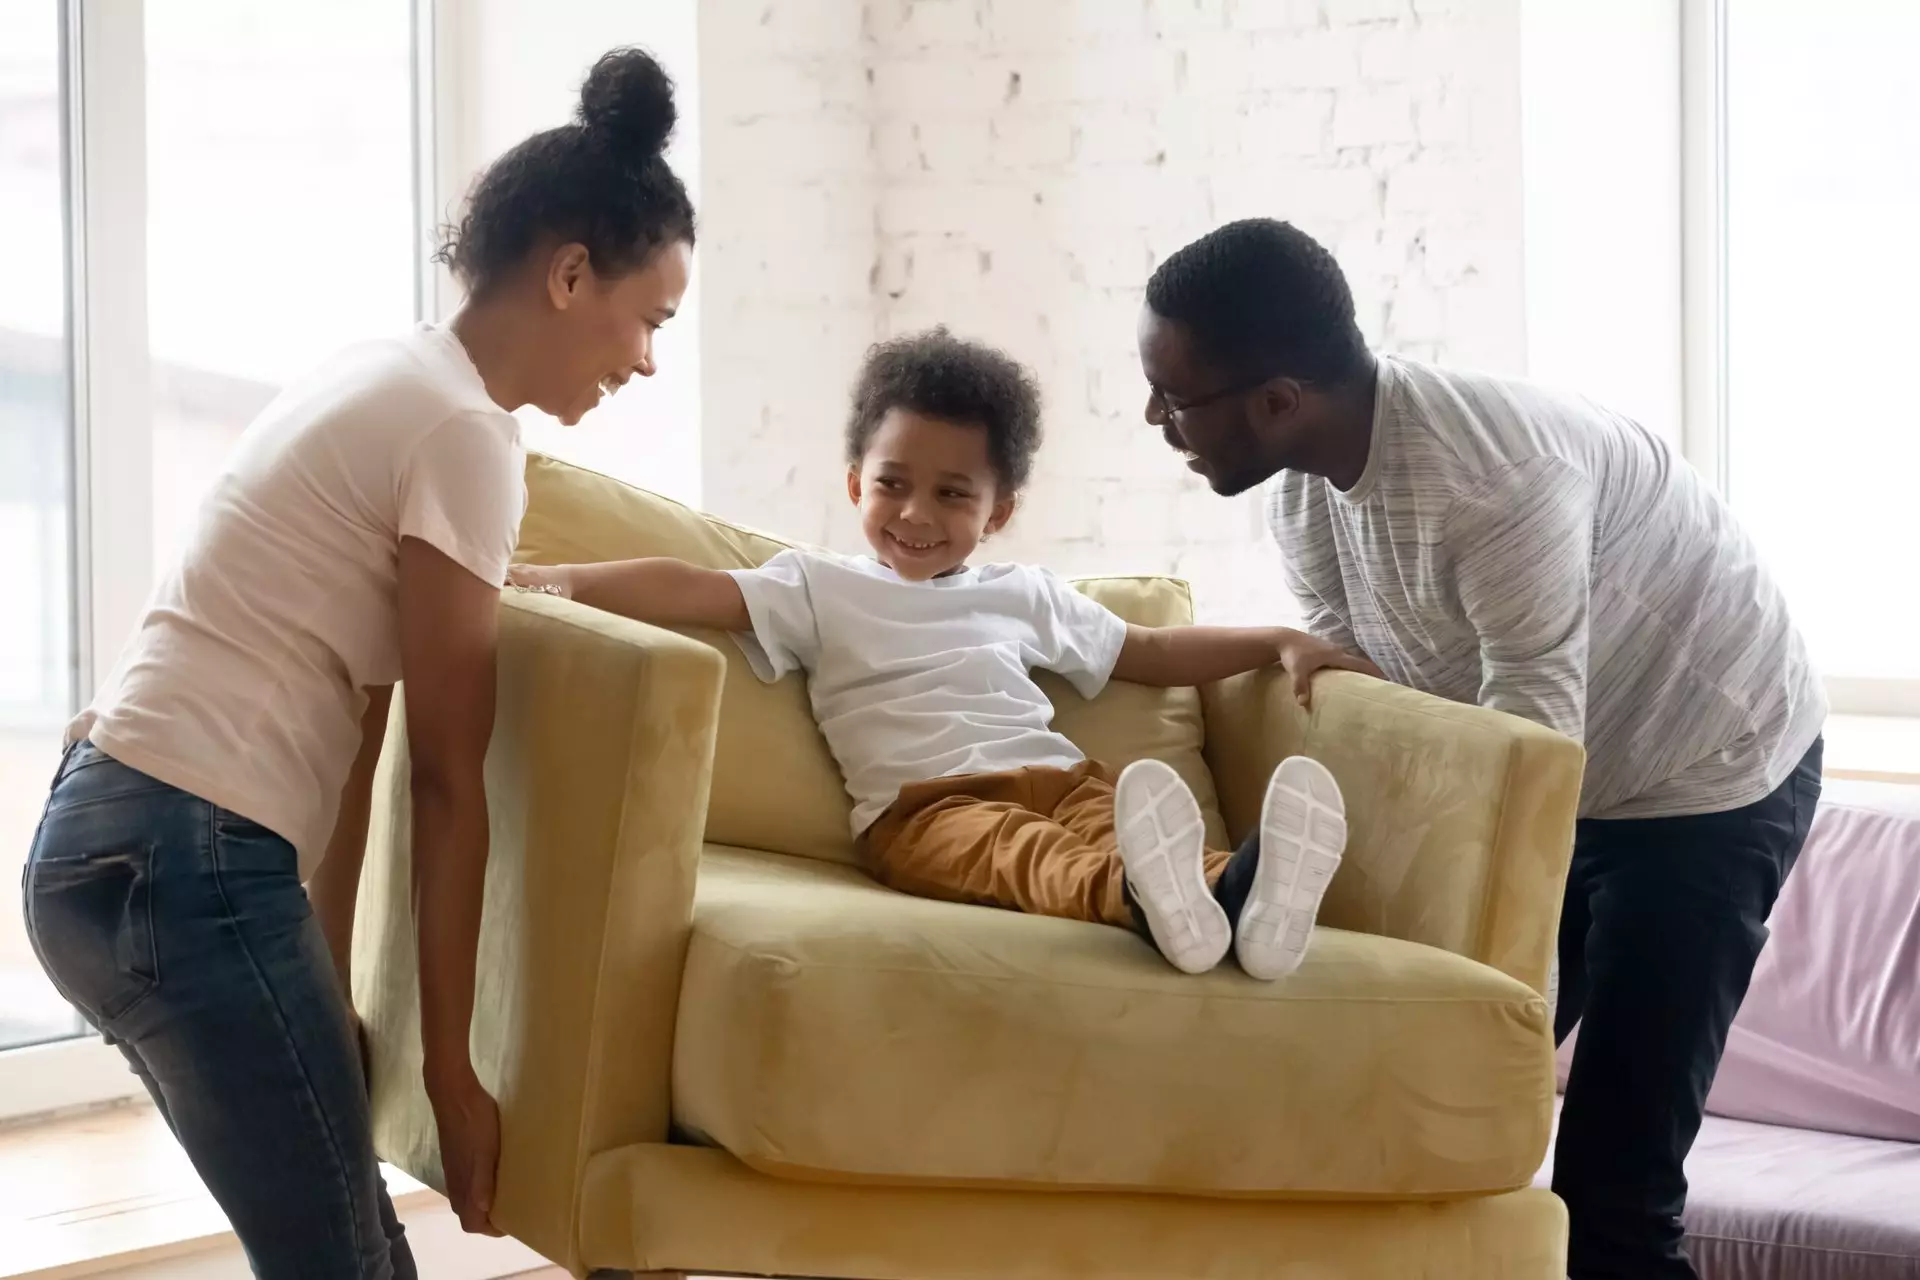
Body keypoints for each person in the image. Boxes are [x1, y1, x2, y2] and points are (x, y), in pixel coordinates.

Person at [21, 47, 694, 1278]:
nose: (646, 359)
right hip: (190, 856)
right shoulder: (463, 434)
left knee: (347, 1250)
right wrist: (454, 1072)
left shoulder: (387, 371)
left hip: (93, 846)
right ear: (567, 274)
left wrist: (326, 986)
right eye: (648, 318)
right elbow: (448, 780)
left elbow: (362, 731)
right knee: (347, 1259)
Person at [1134, 217, 1825, 1278]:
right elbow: (1388, 720)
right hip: (1562, 770)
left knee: (1610, 1196)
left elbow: (1527, 764)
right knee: (1402, 1113)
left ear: (1279, 399)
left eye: (1175, 399)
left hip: (1708, 778)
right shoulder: (1306, 506)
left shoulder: (1497, 481)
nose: (1154, 420)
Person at [509, 328, 1377, 978]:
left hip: (1061, 776)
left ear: (996, 513)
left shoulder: (1022, 595)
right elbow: (687, 588)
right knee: (1025, 856)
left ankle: (1245, 897)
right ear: (857, 483)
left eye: (953, 494)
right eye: (892, 484)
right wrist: (556, 584)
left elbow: (1145, 650)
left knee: (1108, 818)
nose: (916, 514)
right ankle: (1150, 902)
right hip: (923, 811)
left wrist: (1278, 638)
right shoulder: (818, 587)